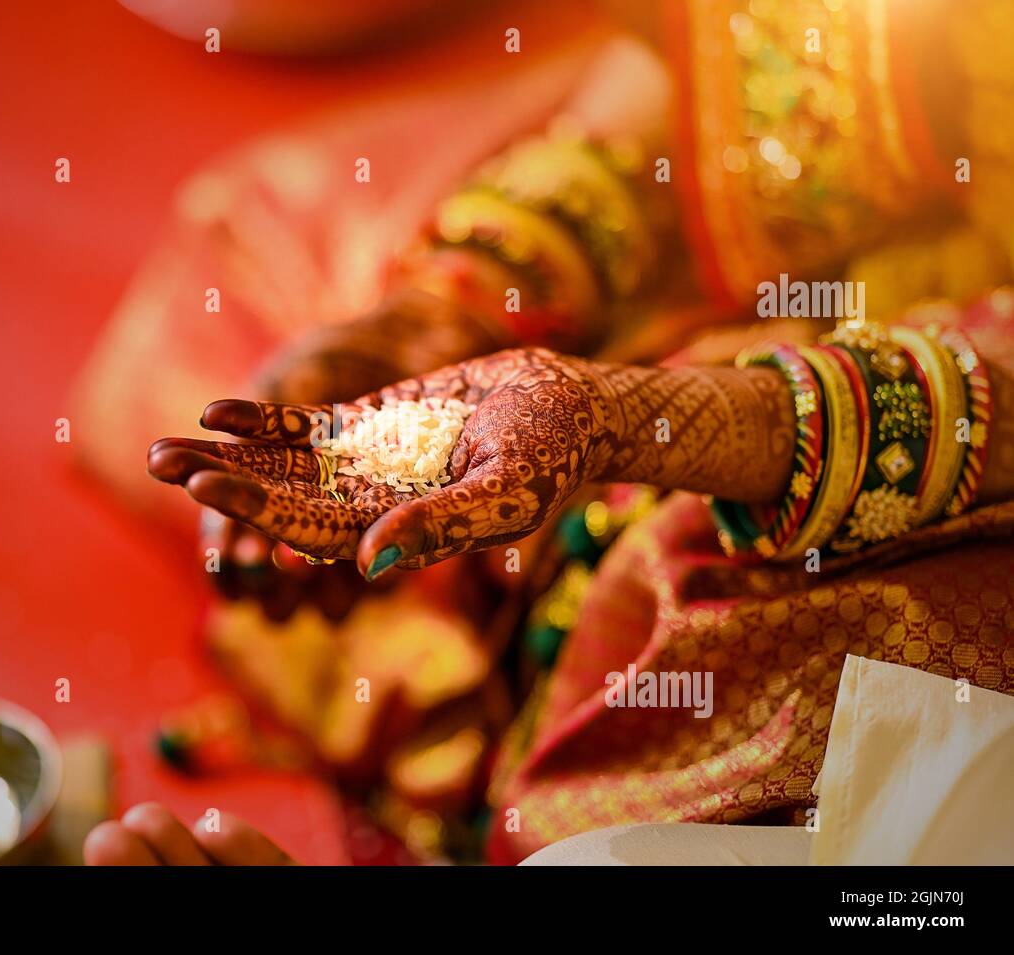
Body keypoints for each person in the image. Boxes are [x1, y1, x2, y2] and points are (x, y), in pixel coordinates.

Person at [82, 0, 1014, 864]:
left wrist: (669, 423)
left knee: (768, 670)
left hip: (965, 426)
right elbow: (734, 73)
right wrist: (451, 308)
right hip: (807, 259)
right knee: (262, 257)